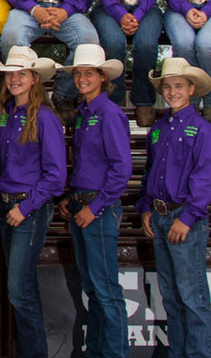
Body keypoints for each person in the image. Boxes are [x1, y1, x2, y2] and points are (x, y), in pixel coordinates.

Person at [136, 57, 211, 358]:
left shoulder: (203, 131)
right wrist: (145, 207)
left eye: (179, 86)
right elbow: (150, 172)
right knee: (171, 296)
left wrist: (188, 216)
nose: (172, 92)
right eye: (167, 87)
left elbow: (206, 179)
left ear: (192, 89)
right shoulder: (158, 129)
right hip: (159, 216)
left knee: (191, 296)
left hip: (184, 218)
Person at [0, 47, 64, 358]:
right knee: (21, 288)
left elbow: (56, 176)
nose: (15, 79)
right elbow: (5, 163)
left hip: (28, 208)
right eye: (11, 73)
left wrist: (24, 207)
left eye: (21, 74)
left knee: (20, 290)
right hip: (7, 205)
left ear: (34, 78)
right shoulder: (7, 113)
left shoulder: (45, 118)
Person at [56, 44, 131, 358]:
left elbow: (121, 168)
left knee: (105, 290)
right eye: (78, 73)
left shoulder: (109, 113)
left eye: (89, 72)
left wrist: (94, 207)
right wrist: (72, 197)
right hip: (83, 204)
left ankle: (112, 354)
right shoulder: (86, 112)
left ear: (103, 77)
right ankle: (99, 352)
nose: (82, 78)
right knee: (94, 289)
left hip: (97, 208)